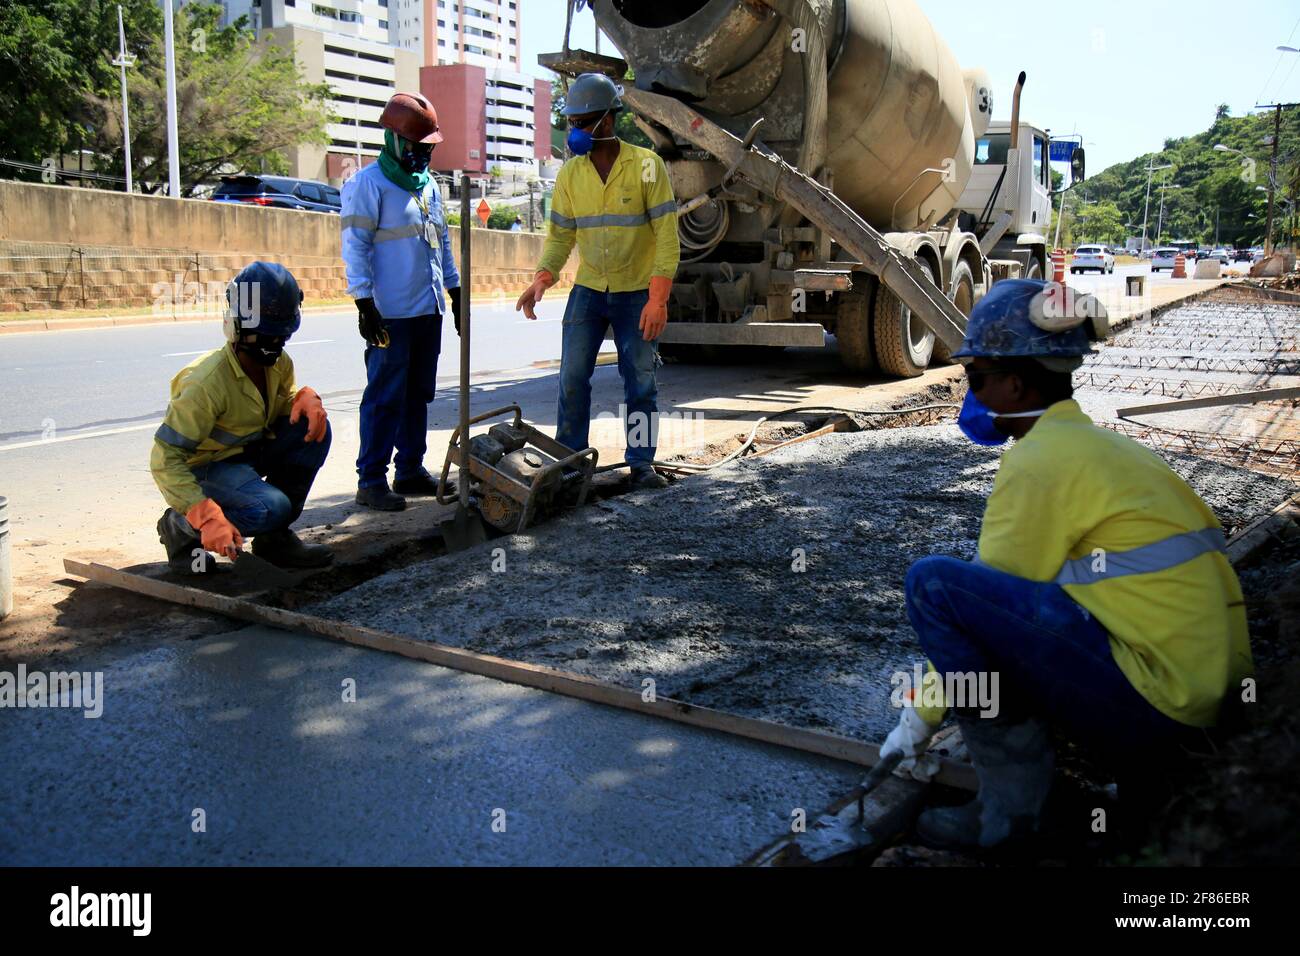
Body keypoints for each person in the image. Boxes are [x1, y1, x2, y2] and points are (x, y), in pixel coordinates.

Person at [879, 279, 1253, 850]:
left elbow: (982, 595)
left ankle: (1008, 816)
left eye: (975, 378)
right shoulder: (1111, 450)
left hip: (1160, 707)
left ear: (1015, 382)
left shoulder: (1040, 462)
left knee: (934, 584)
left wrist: (918, 721)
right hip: (1206, 700)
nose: (971, 394)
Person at [515, 73, 679, 490]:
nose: (574, 132)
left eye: (583, 122)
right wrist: (543, 278)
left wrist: (657, 299)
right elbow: (560, 236)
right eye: (571, 123)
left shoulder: (646, 167)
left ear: (607, 122)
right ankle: (569, 463)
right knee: (571, 377)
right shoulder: (570, 175)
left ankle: (641, 465)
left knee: (640, 380)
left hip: (636, 289)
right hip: (590, 289)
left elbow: (666, 235)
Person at [153, 262, 333, 573]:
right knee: (270, 508)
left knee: (313, 429)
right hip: (205, 469)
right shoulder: (205, 384)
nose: (274, 346)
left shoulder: (278, 363)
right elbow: (165, 460)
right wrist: (206, 515)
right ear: (236, 327)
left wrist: (305, 397)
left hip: (245, 454)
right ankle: (181, 527)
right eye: (264, 336)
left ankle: (273, 540)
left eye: (281, 337)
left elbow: (279, 410)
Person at [342, 91, 462, 512]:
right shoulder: (367, 185)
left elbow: (441, 242)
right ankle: (371, 479)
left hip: (427, 310)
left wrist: (455, 289)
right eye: (417, 146)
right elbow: (355, 246)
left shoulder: (428, 186)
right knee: (384, 396)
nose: (423, 154)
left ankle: (409, 469)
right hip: (389, 314)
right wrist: (363, 302)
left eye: (429, 147)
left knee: (418, 394)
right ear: (394, 141)